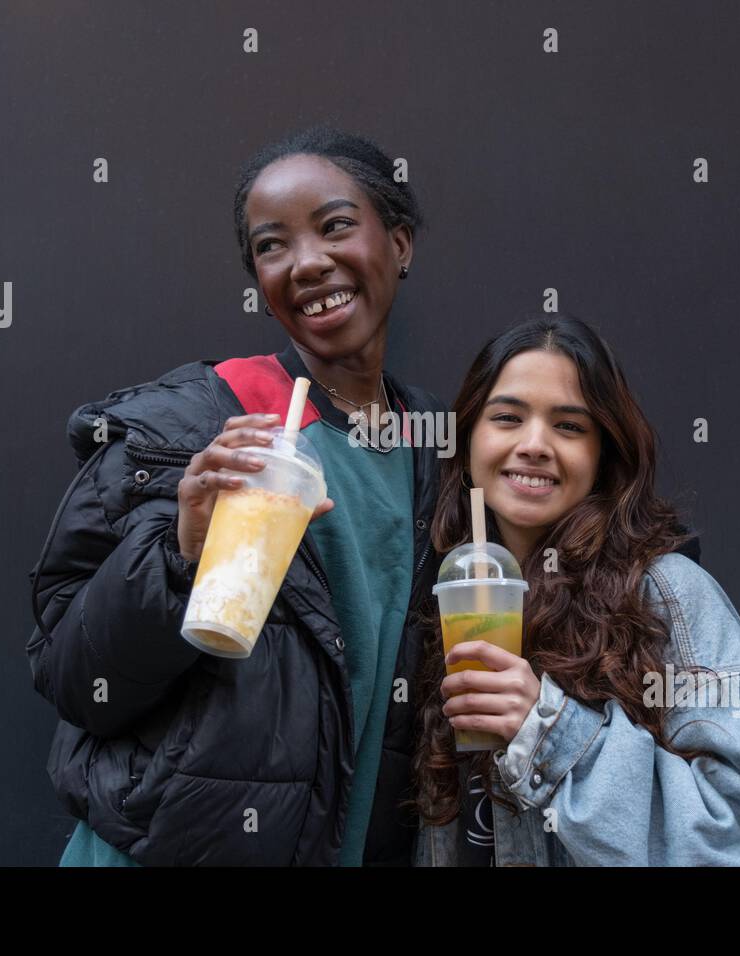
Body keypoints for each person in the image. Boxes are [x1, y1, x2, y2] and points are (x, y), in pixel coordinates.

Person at [26, 125, 445, 865]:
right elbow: (76, 680)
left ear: (401, 244)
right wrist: (180, 553)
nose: (307, 262)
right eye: (271, 246)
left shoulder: (441, 458)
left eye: (336, 226)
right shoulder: (183, 429)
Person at [408, 316, 740, 866]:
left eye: (569, 427)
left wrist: (550, 734)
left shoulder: (666, 595)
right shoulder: (439, 598)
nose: (535, 444)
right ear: (469, 439)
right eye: (506, 418)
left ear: (603, 456)